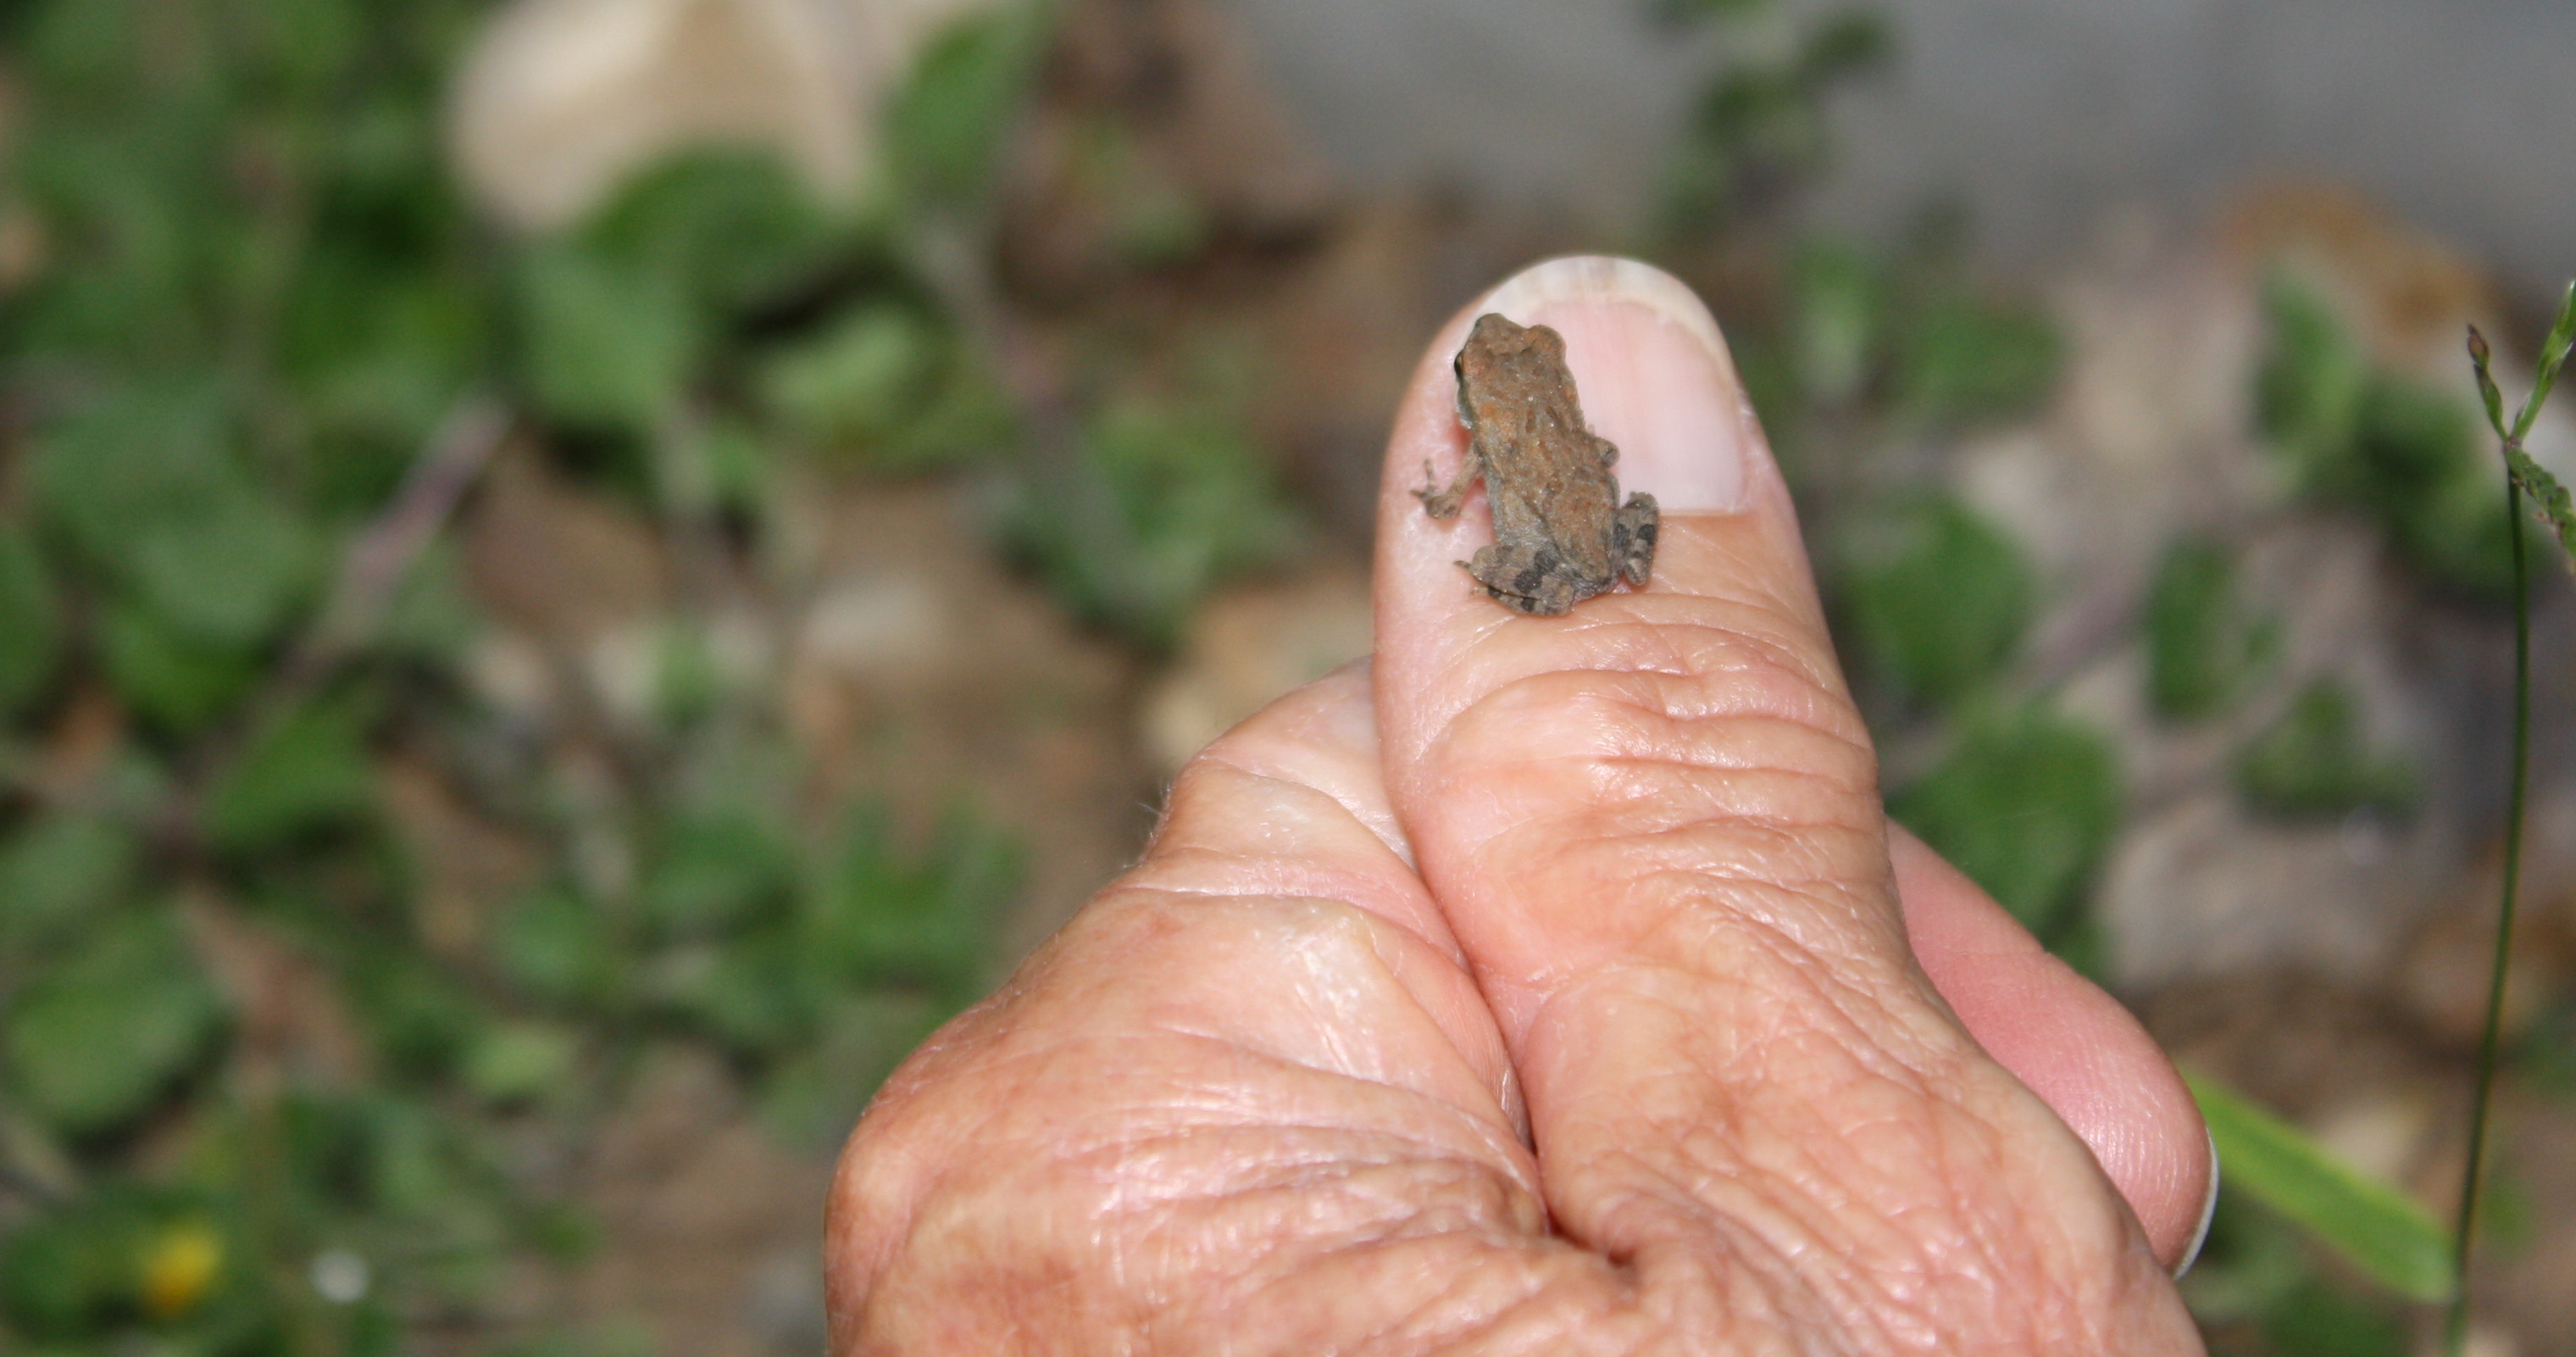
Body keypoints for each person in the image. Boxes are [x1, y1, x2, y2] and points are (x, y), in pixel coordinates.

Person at [827, 257, 2217, 1354]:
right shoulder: (1512, 426)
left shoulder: (1507, 436)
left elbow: (1488, 489)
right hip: (1584, 531)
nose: (1501, 377)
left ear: (1523, 397)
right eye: (1502, 381)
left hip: (1565, 557)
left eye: (1512, 378)